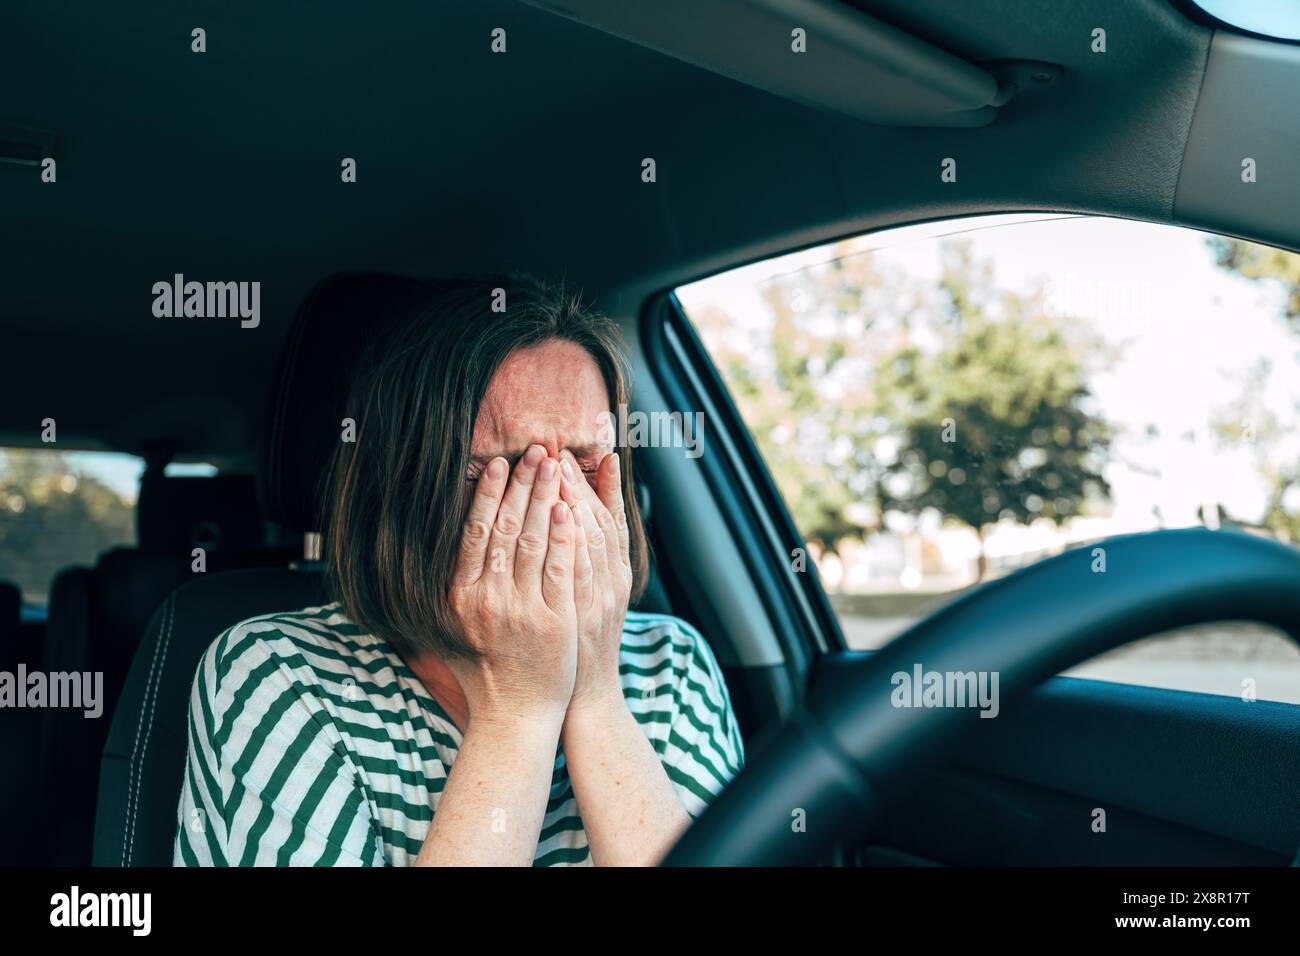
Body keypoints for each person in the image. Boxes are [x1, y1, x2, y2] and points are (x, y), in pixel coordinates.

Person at [173, 275, 744, 866]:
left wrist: (595, 696)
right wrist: (517, 712)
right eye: (494, 471)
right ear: (399, 490)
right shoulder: (279, 673)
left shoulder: (671, 669)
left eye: (580, 465)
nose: (552, 506)